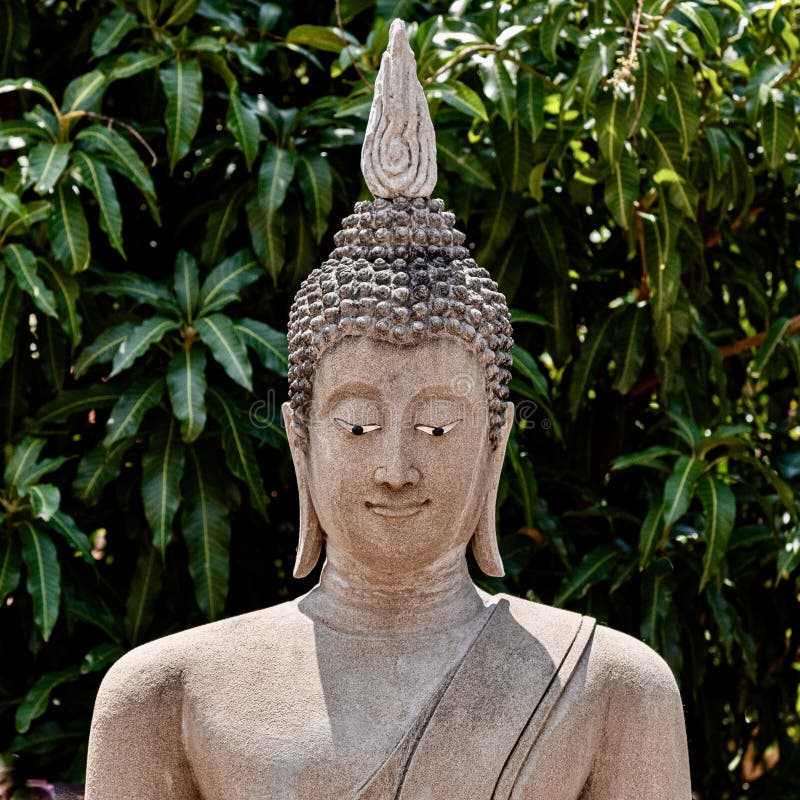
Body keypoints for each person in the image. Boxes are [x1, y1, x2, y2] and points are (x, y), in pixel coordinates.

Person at [85, 20, 691, 800]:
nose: (396, 467)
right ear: (301, 443)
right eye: (358, 424)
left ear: (494, 444)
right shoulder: (166, 695)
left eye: (438, 426)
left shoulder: (612, 690)